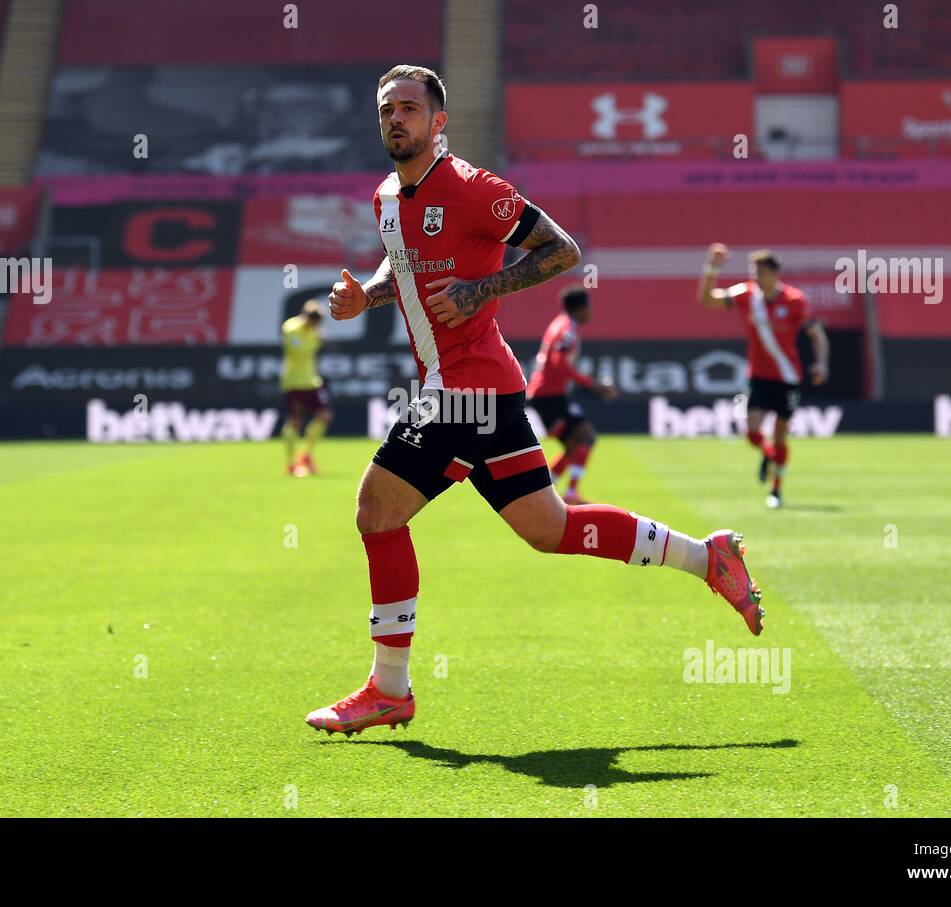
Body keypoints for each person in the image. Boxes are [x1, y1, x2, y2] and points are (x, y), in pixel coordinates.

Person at [304, 66, 763, 737]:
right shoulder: (384, 197)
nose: (395, 119)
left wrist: (479, 290)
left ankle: (389, 689)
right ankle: (707, 556)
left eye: (409, 108)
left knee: (377, 510)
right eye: (385, 110)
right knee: (548, 528)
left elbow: (562, 249)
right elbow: (396, 264)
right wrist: (362, 297)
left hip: (464, 391)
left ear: (439, 122)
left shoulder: (472, 188)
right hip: (486, 389)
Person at [696, 245, 829, 508]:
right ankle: (769, 455)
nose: (755, 277)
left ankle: (776, 489)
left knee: (781, 436)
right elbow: (706, 299)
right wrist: (712, 267)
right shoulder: (746, 295)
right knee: (752, 431)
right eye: (753, 271)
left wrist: (822, 363)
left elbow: (817, 334)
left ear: (775, 274)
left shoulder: (794, 301)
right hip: (758, 376)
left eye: (760, 272)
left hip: (788, 378)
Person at [526, 286, 619, 504]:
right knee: (585, 435)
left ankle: (547, 491)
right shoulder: (567, 329)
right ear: (581, 308)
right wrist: (592, 385)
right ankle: (571, 493)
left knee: (574, 443)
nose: (591, 312)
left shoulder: (563, 324)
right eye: (589, 307)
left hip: (550, 394)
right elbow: (559, 363)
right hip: (548, 396)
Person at [280, 299, 332, 476]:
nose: (314, 327)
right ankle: (290, 462)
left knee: (324, 416)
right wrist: (317, 341)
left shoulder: (313, 331)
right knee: (294, 421)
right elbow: (298, 350)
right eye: (313, 324)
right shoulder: (291, 327)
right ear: (307, 318)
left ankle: (306, 454)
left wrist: (316, 338)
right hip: (293, 381)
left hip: (311, 381)